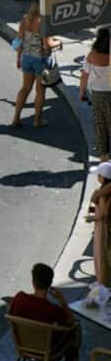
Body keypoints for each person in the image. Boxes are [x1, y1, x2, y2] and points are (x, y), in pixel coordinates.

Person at [8, 262, 82, 361]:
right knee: (76, 328)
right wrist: (62, 300)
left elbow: (10, 313)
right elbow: (71, 322)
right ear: (50, 285)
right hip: (46, 350)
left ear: (33, 282)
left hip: (22, 345)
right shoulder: (51, 309)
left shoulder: (19, 298)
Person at [11, 1, 61, 128]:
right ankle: (37, 120)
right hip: (40, 60)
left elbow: (19, 40)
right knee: (40, 91)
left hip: (26, 58)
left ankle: (16, 118)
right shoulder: (44, 23)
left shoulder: (24, 19)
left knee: (25, 88)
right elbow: (47, 44)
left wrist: (18, 58)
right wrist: (59, 42)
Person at [78, 27, 111, 161]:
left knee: (100, 126)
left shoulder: (92, 55)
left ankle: (104, 160)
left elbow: (84, 76)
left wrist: (81, 93)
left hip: (97, 95)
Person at [86, 162, 111, 287]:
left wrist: (91, 218)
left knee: (101, 255)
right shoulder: (103, 191)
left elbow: (103, 214)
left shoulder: (104, 194)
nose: (97, 177)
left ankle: (103, 282)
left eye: (99, 175)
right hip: (101, 226)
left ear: (104, 177)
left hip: (103, 227)